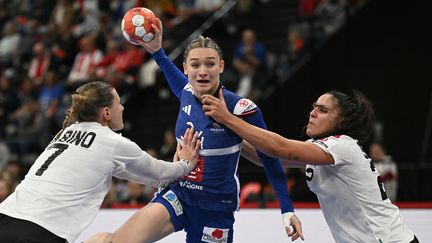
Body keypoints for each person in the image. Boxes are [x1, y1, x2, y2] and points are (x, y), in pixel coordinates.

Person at [86, 21, 303, 243]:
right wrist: (156, 51)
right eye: (195, 65)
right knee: (115, 241)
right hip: (180, 195)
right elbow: (170, 72)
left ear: (221, 66)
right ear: (186, 68)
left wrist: (287, 209)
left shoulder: (241, 109)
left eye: (210, 64)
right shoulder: (187, 92)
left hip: (216, 208)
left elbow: (269, 157)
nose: (202, 72)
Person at [201, 89, 419, 243]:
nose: (313, 112)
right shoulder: (319, 149)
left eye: (323, 110)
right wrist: (225, 132)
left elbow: (278, 147)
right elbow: (265, 156)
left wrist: (228, 119)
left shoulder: (342, 146)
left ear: (341, 123)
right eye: (314, 107)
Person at [0, 81, 201, 243]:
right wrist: (185, 164)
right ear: (106, 113)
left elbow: (122, 170)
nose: (122, 107)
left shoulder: (67, 131)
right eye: (119, 102)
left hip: (7, 214)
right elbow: (159, 173)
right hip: (40, 230)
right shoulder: (111, 142)